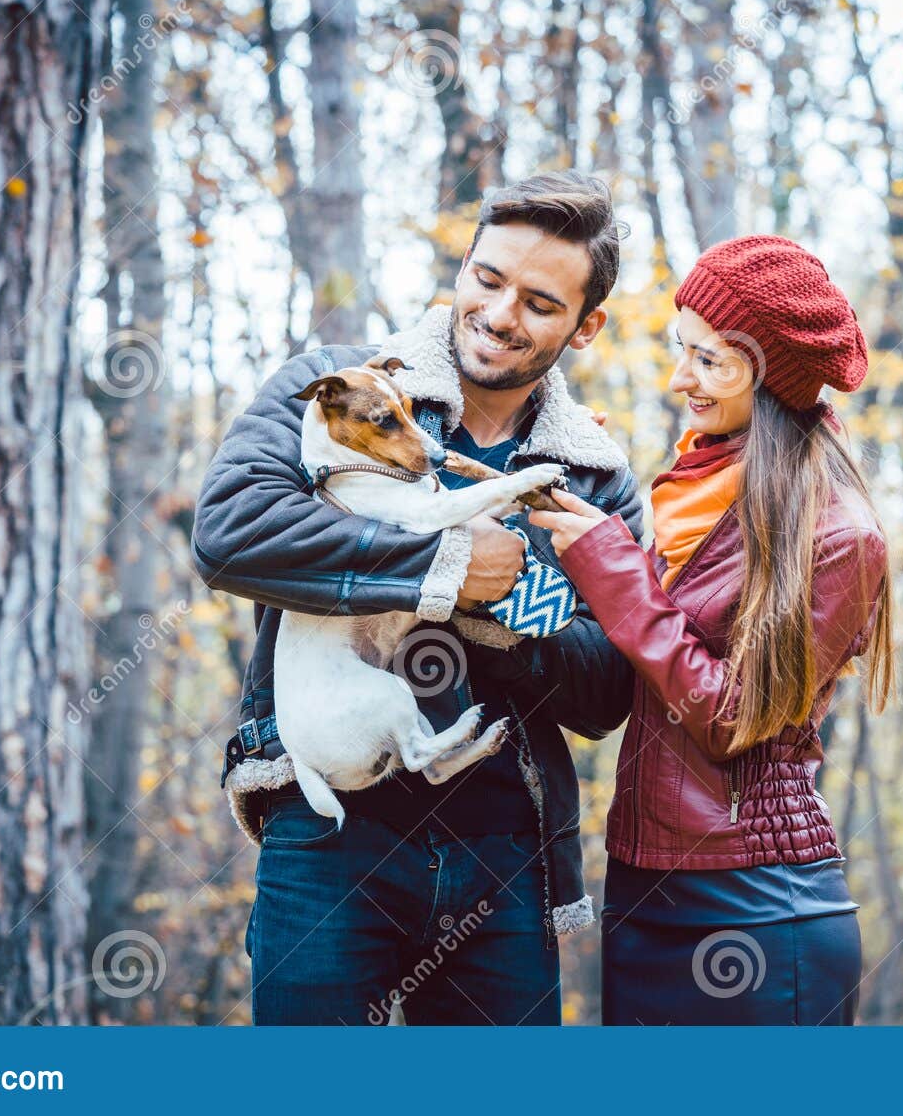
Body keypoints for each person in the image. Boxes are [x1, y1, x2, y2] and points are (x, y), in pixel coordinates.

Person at [192, 171, 643, 1025]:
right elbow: (233, 532)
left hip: (504, 850)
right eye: (488, 278)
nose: (502, 313)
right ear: (463, 266)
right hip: (327, 832)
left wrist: (510, 603)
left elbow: (606, 690)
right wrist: (441, 563)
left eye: (541, 303)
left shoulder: (593, 476)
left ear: (587, 327)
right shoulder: (336, 386)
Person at [529, 235, 896, 1025]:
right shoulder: (693, 492)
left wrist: (615, 568)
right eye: (679, 349)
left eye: (709, 360)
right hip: (644, 892)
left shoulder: (838, 534)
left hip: (760, 911)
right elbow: (645, 667)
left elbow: (734, 718)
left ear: (768, 377)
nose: (678, 378)